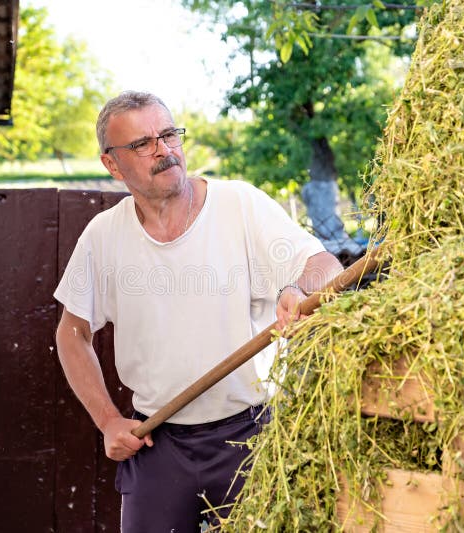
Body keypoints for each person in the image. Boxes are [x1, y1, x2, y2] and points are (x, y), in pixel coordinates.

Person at [54, 91, 342, 531]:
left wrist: (298, 289)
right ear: (112, 164)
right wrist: (109, 420)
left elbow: (324, 265)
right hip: (157, 442)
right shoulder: (103, 236)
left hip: (252, 436)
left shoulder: (239, 206)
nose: (164, 150)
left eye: (169, 135)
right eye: (143, 144)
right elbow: (71, 334)